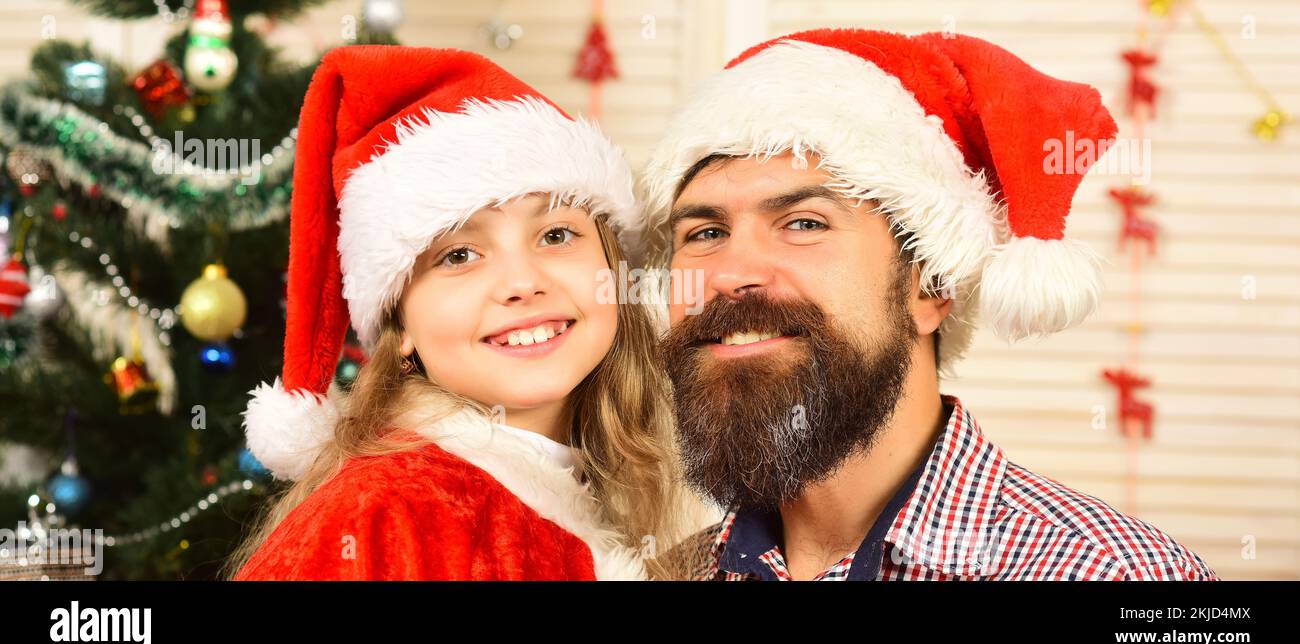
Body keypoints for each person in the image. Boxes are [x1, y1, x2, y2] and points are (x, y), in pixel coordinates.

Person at [641, 29, 1219, 581]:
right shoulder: (672, 570)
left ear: (931, 286)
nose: (732, 273)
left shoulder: (1115, 573)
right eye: (705, 233)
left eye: (804, 223)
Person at [227, 45, 692, 580]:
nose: (522, 283)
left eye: (557, 234)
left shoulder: (643, 485)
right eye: (459, 255)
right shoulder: (381, 516)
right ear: (400, 328)